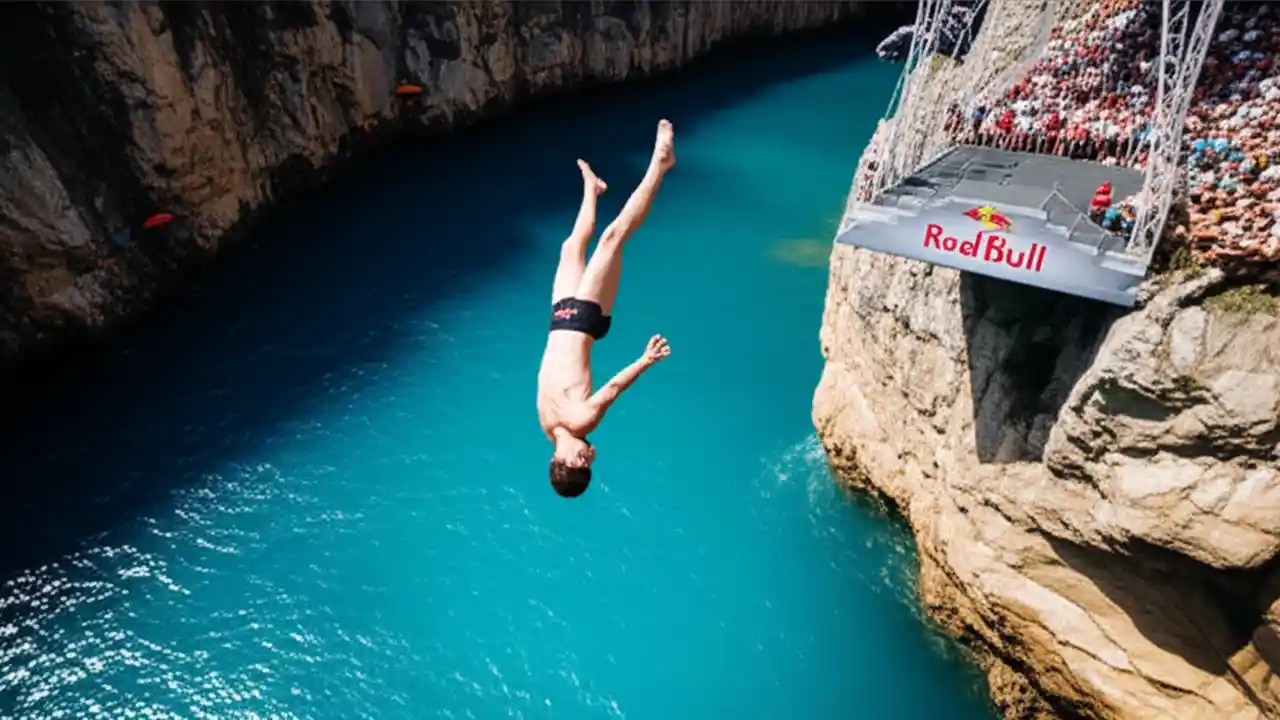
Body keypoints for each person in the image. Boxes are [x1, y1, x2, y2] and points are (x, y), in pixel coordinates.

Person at [536, 119, 677, 498]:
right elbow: (611, 389)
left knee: (572, 247)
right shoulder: (576, 422)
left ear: (568, 462)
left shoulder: (553, 424)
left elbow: (613, 387)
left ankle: (592, 189)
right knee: (611, 239)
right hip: (582, 321)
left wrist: (646, 362)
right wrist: (645, 360)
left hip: (559, 319)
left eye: (586, 461)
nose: (592, 455)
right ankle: (660, 164)